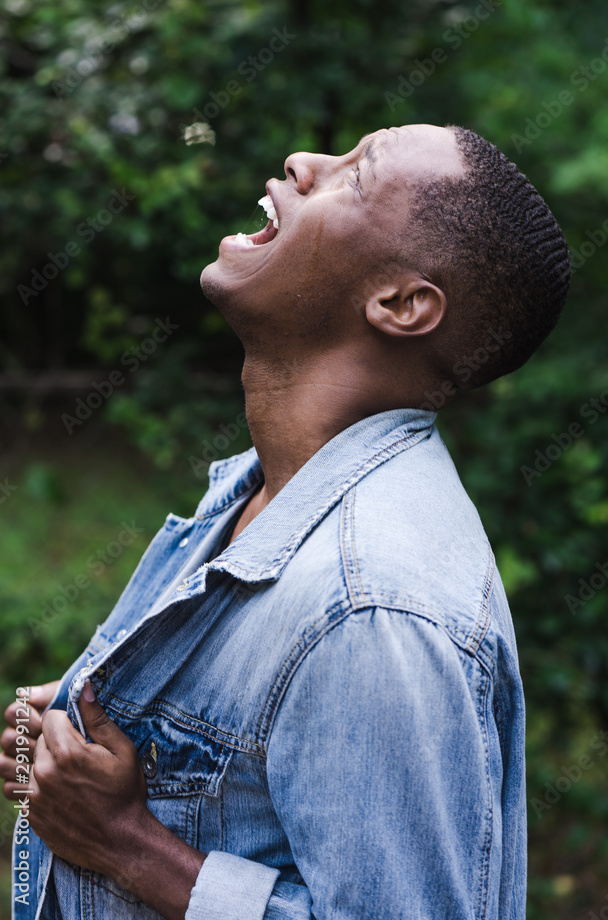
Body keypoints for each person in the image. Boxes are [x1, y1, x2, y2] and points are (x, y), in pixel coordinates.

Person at [1, 123, 570, 920]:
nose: (302, 162)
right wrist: (102, 714)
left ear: (401, 305)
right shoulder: (257, 496)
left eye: (354, 174)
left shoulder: (375, 609)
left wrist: (126, 844)